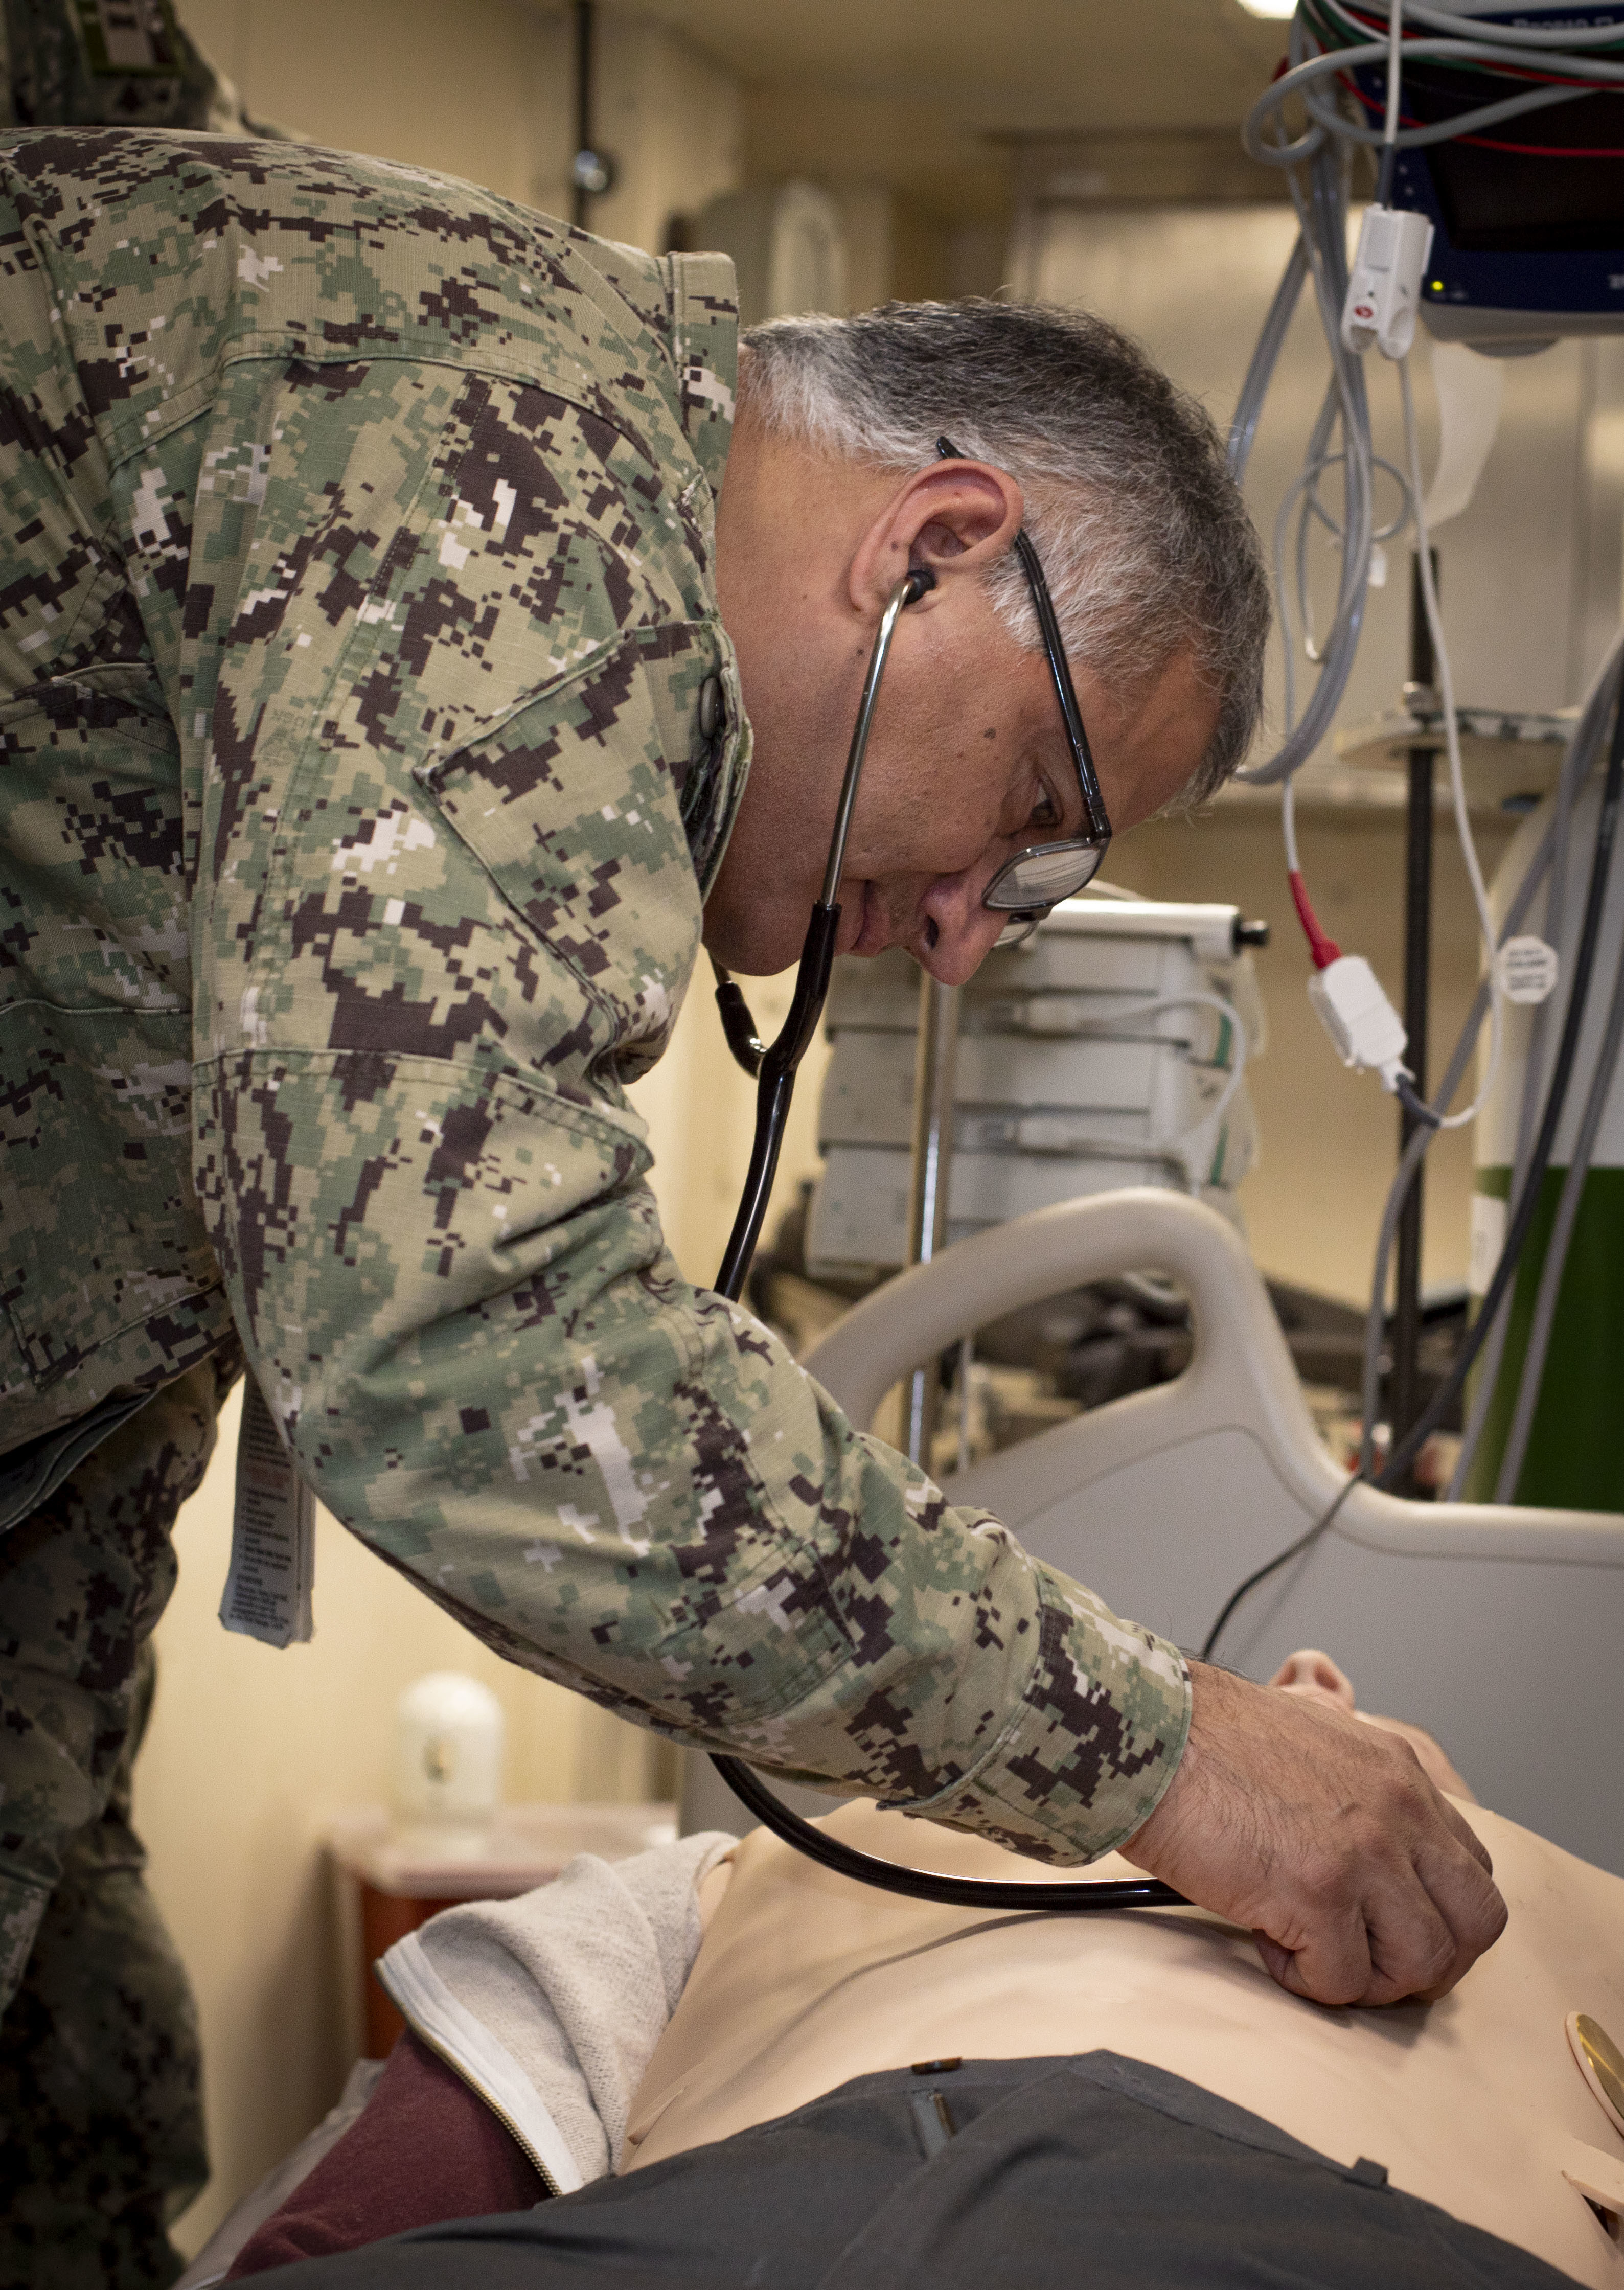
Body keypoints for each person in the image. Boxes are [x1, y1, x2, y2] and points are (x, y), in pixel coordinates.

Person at [0, 126, 1504, 2283]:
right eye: (1038, 817)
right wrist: (1177, 1751)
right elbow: (472, 1348)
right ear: (934, 549)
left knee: (82, 2092)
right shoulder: (501, 480)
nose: (981, 930)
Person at [196, 1656, 1618, 2288]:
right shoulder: (765, 1873)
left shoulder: (1565, 1917)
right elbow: (432, 2152)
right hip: (755, 2213)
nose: (1313, 1683)